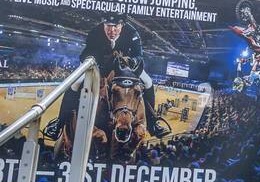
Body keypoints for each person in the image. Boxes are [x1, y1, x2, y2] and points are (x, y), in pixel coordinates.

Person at [45, 13, 169, 147]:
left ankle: (153, 123)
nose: (112, 31)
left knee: (148, 82)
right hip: (100, 66)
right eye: (108, 27)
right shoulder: (95, 32)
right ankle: (60, 122)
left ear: (122, 25)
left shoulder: (132, 33)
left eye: (116, 27)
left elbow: (139, 56)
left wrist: (132, 61)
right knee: (75, 83)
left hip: (125, 68)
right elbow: (86, 54)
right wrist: (94, 60)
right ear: (103, 25)